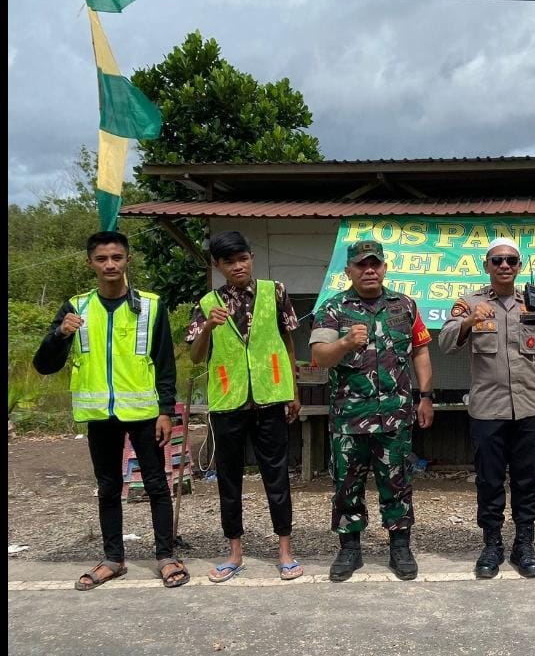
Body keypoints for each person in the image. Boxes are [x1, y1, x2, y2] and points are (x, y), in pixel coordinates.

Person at [33, 231, 190, 590]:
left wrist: (167, 411)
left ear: (128, 261)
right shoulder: (76, 307)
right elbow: (44, 365)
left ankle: (166, 556)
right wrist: (59, 334)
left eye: (116, 258)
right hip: (99, 415)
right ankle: (113, 559)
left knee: (156, 484)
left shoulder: (150, 305)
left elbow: (165, 363)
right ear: (90, 263)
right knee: (108, 487)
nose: (110, 265)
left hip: (144, 413)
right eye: (102, 259)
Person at [439, 237, 535, 579]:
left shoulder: (533, 306)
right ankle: (492, 544)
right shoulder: (469, 303)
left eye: (511, 260)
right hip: (488, 410)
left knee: (527, 481)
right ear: (486, 266)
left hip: (528, 409)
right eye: (497, 260)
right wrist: (468, 322)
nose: (504, 266)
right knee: (489, 480)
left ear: (519, 266)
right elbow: (446, 342)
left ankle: (524, 544)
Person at [310, 240, 434, 581]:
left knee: (397, 483)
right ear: (348, 270)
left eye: (375, 264)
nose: (369, 270)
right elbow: (320, 357)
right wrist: (346, 342)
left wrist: (425, 396)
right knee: (346, 486)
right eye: (362, 265)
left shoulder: (404, 305)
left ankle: (400, 547)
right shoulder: (333, 309)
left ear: (384, 267)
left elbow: (420, 352)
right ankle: (350, 550)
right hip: (349, 419)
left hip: (395, 416)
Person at [187, 231, 303, 583]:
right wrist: (208, 326)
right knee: (229, 478)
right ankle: (234, 552)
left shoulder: (275, 291)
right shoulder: (207, 303)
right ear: (218, 265)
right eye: (229, 261)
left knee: (277, 475)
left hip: (270, 397)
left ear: (251, 257)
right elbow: (195, 356)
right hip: (228, 401)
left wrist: (293, 390)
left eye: (243, 258)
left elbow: (287, 340)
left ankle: (285, 551)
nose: (238, 266)